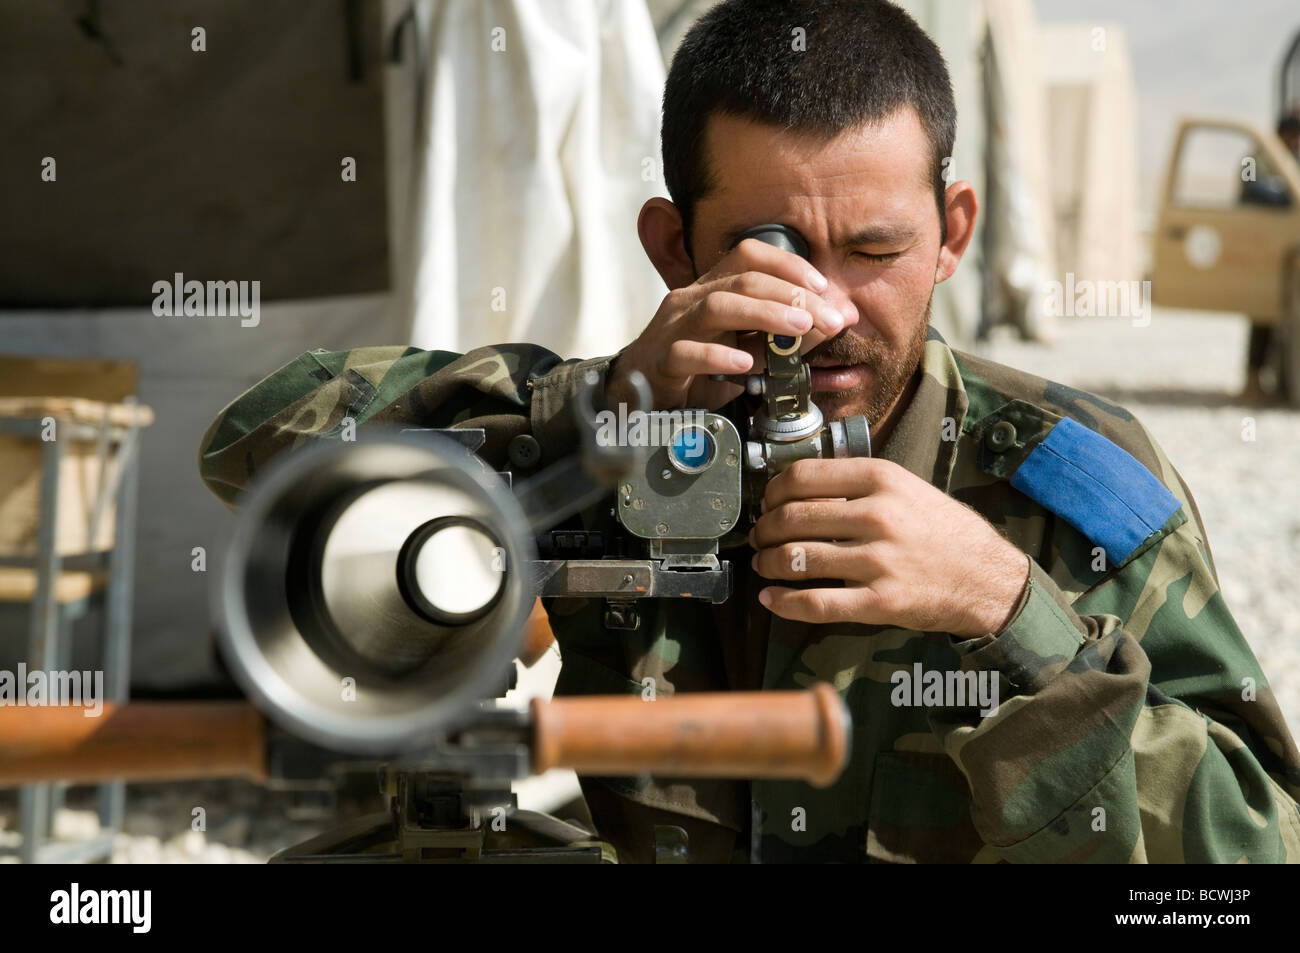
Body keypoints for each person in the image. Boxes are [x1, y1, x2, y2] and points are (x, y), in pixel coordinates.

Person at [198, 0, 1300, 863]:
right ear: (675, 248)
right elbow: (251, 445)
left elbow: (1251, 851)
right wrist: (589, 418)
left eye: (873, 250)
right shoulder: (628, 432)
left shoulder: (1064, 484)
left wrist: (1010, 615)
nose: (822, 309)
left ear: (951, 234)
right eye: (772, 252)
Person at [1241, 114, 1300, 403]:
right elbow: (1252, 189)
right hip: (1259, 245)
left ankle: (1276, 384)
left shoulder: (1287, 160)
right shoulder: (1259, 159)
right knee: (1262, 313)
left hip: (1280, 250)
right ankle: (1251, 382)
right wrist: (1282, 194)